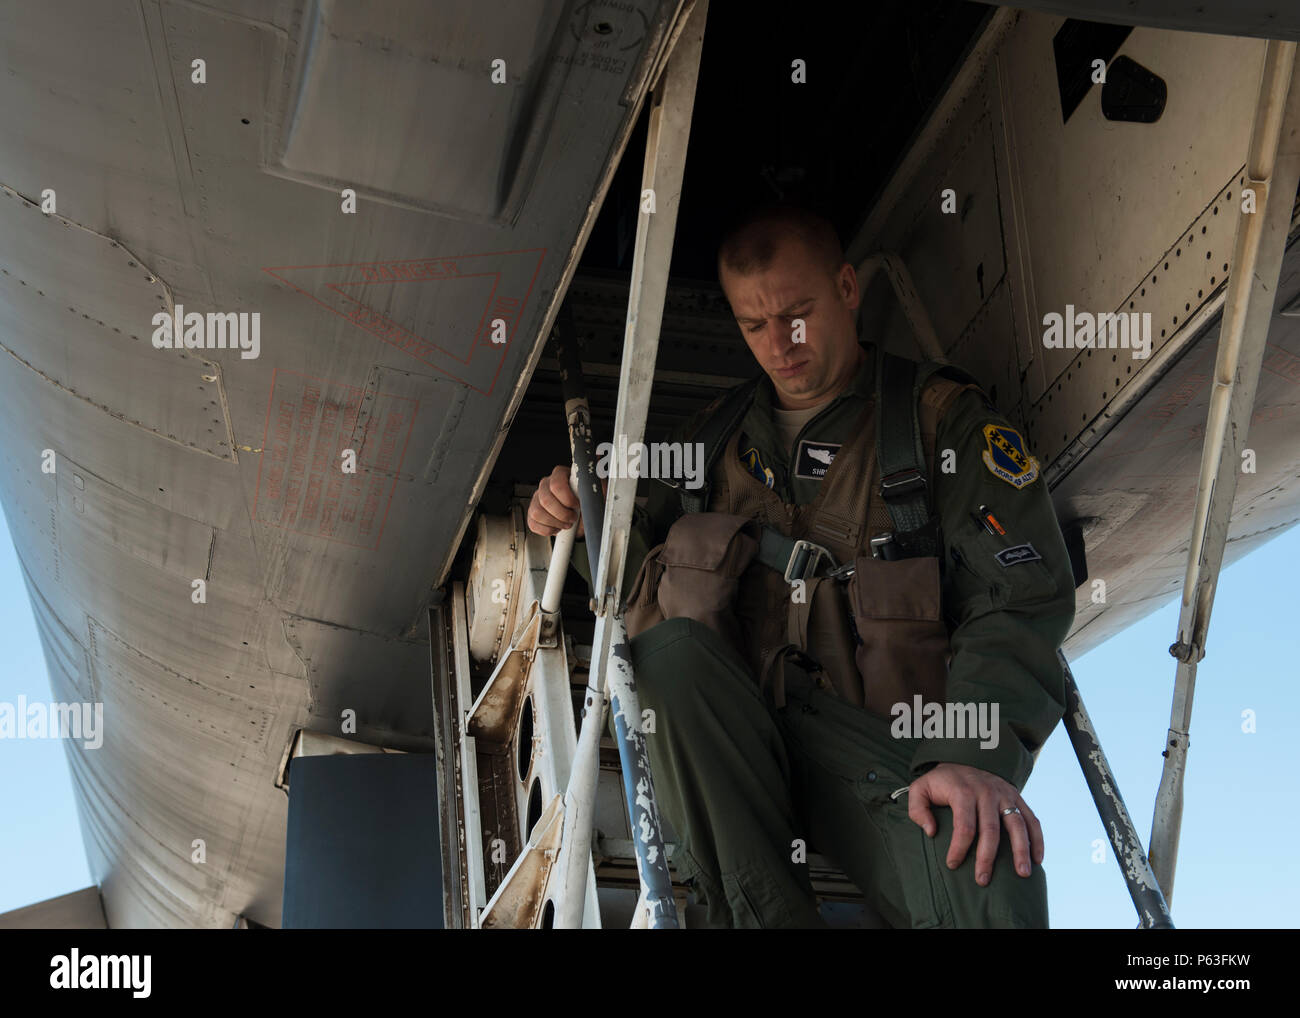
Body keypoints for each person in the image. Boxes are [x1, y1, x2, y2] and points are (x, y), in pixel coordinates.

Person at [526, 203, 1076, 928]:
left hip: (876, 750)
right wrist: (562, 505)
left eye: (797, 313)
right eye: (753, 325)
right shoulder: (707, 444)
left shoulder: (942, 425)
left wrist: (971, 756)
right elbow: (619, 565)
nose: (778, 343)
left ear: (848, 289)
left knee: (986, 860)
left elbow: (1019, 593)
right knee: (671, 658)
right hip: (730, 752)